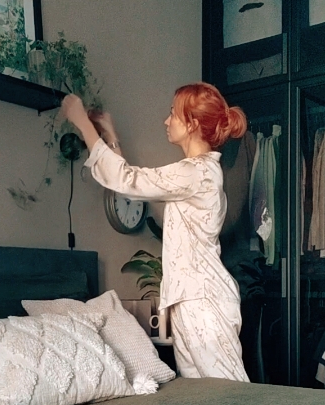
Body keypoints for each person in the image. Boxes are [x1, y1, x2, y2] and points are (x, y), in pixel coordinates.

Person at [60, 83, 250, 381]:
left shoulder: (197, 172)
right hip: (188, 299)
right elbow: (131, 186)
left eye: (173, 114)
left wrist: (83, 123)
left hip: (202, 301)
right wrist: (110, 135)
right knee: (202, 399)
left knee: (230, 393)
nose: (166, 120)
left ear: (192, 124)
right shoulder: (197, 172)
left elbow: (127, 179)